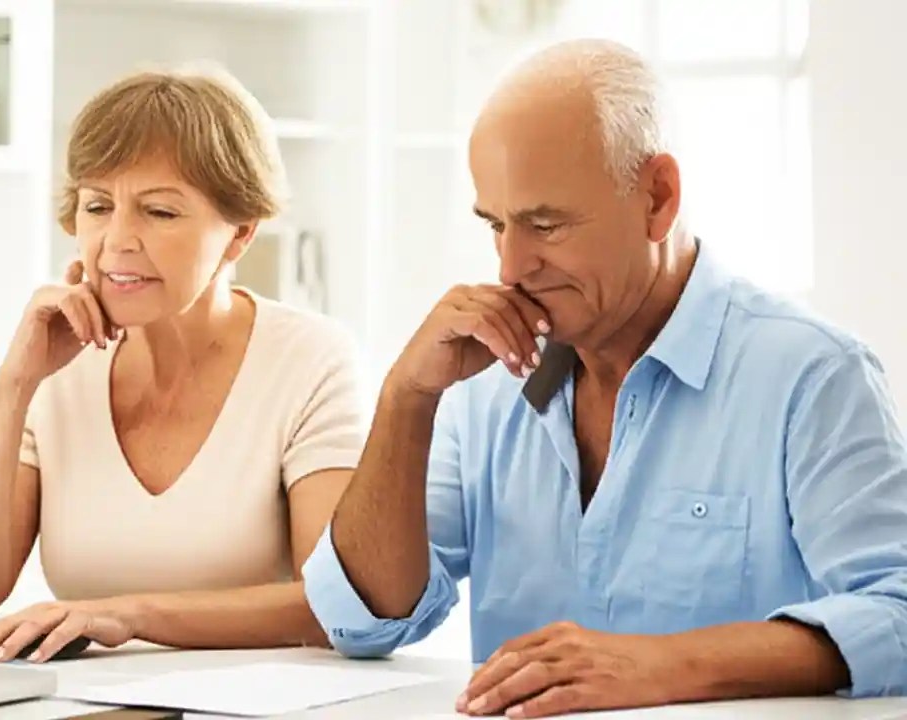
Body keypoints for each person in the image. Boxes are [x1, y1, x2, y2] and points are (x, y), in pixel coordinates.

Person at [303, 38, 907, 718]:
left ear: (657, 197)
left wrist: (666, 664)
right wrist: (406, 397)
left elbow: (898, 611)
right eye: (496, 225)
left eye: (544, 224)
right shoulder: (482, 383)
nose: (509, 268)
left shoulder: (813, 376)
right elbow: (365, 620)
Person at [0, 65, 367, 664]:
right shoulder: (56, 369)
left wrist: (126, 615)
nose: (117, 240)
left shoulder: (310, 359)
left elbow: (334, 607)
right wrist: (16, 383)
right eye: (98, 205)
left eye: (159, 212)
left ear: (240, 233)